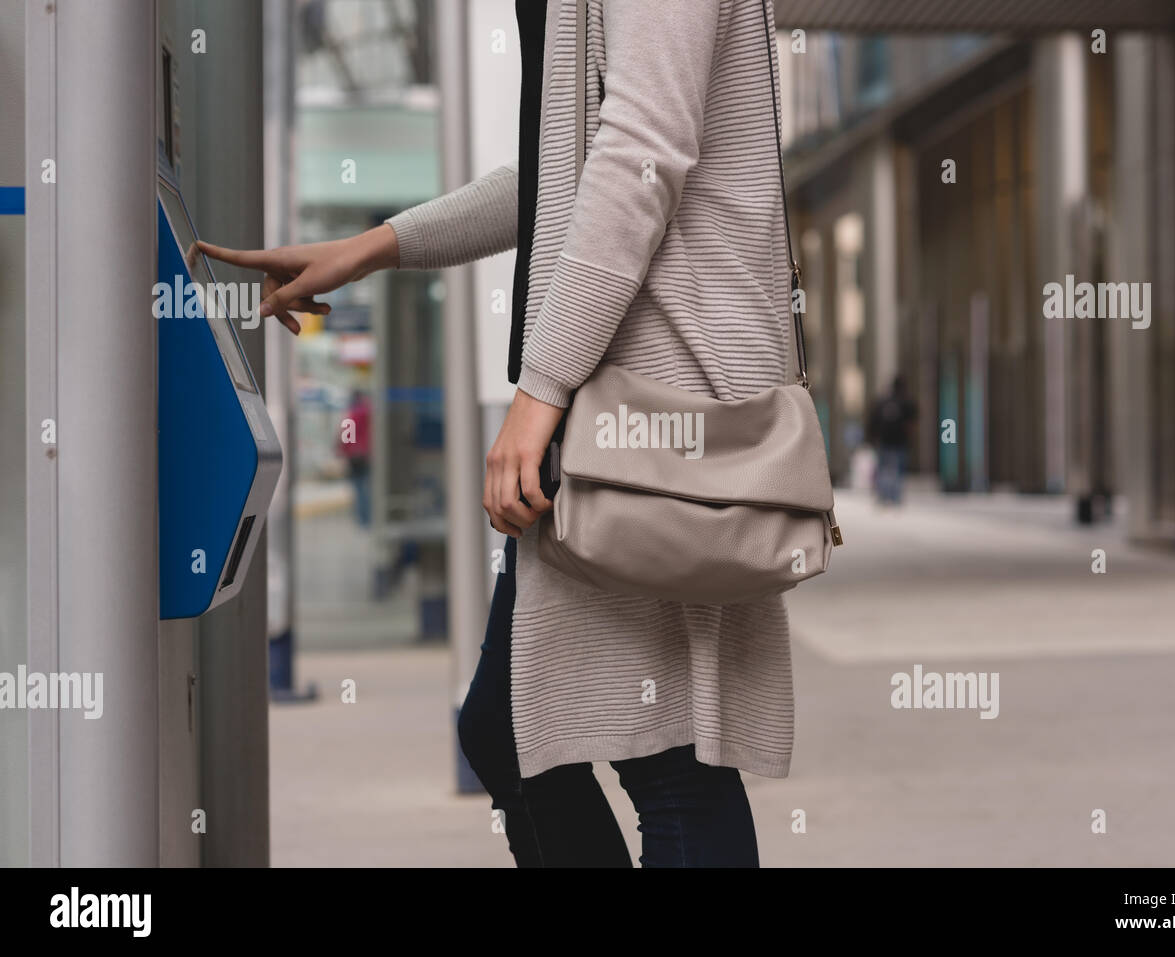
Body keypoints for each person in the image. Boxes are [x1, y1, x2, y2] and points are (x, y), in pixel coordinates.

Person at [198, 0, 797, 868]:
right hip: (609, 401)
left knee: (662, 757)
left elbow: (644, 149)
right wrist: (374, 246)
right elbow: (567, 172)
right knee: (521, 729)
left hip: (649, 404)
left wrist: (541, 388)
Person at [868, 375, 917, 505]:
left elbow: (873, 422)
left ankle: (883, 496)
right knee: (899, 471)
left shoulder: (882, 402)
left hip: (884, 441)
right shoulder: (906, 402)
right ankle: (895, 496)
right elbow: (911, 423)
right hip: (900, 442)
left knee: (884, 469)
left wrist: (872, 437)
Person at [338, 390, 372, 527]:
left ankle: (363, 518)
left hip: (356, 455)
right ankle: (367, 517)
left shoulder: (353, 414)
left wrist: (343, 449)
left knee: (358, 487)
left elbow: (347, 437)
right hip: (367, 453)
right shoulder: (369, 411)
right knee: (365, 486)